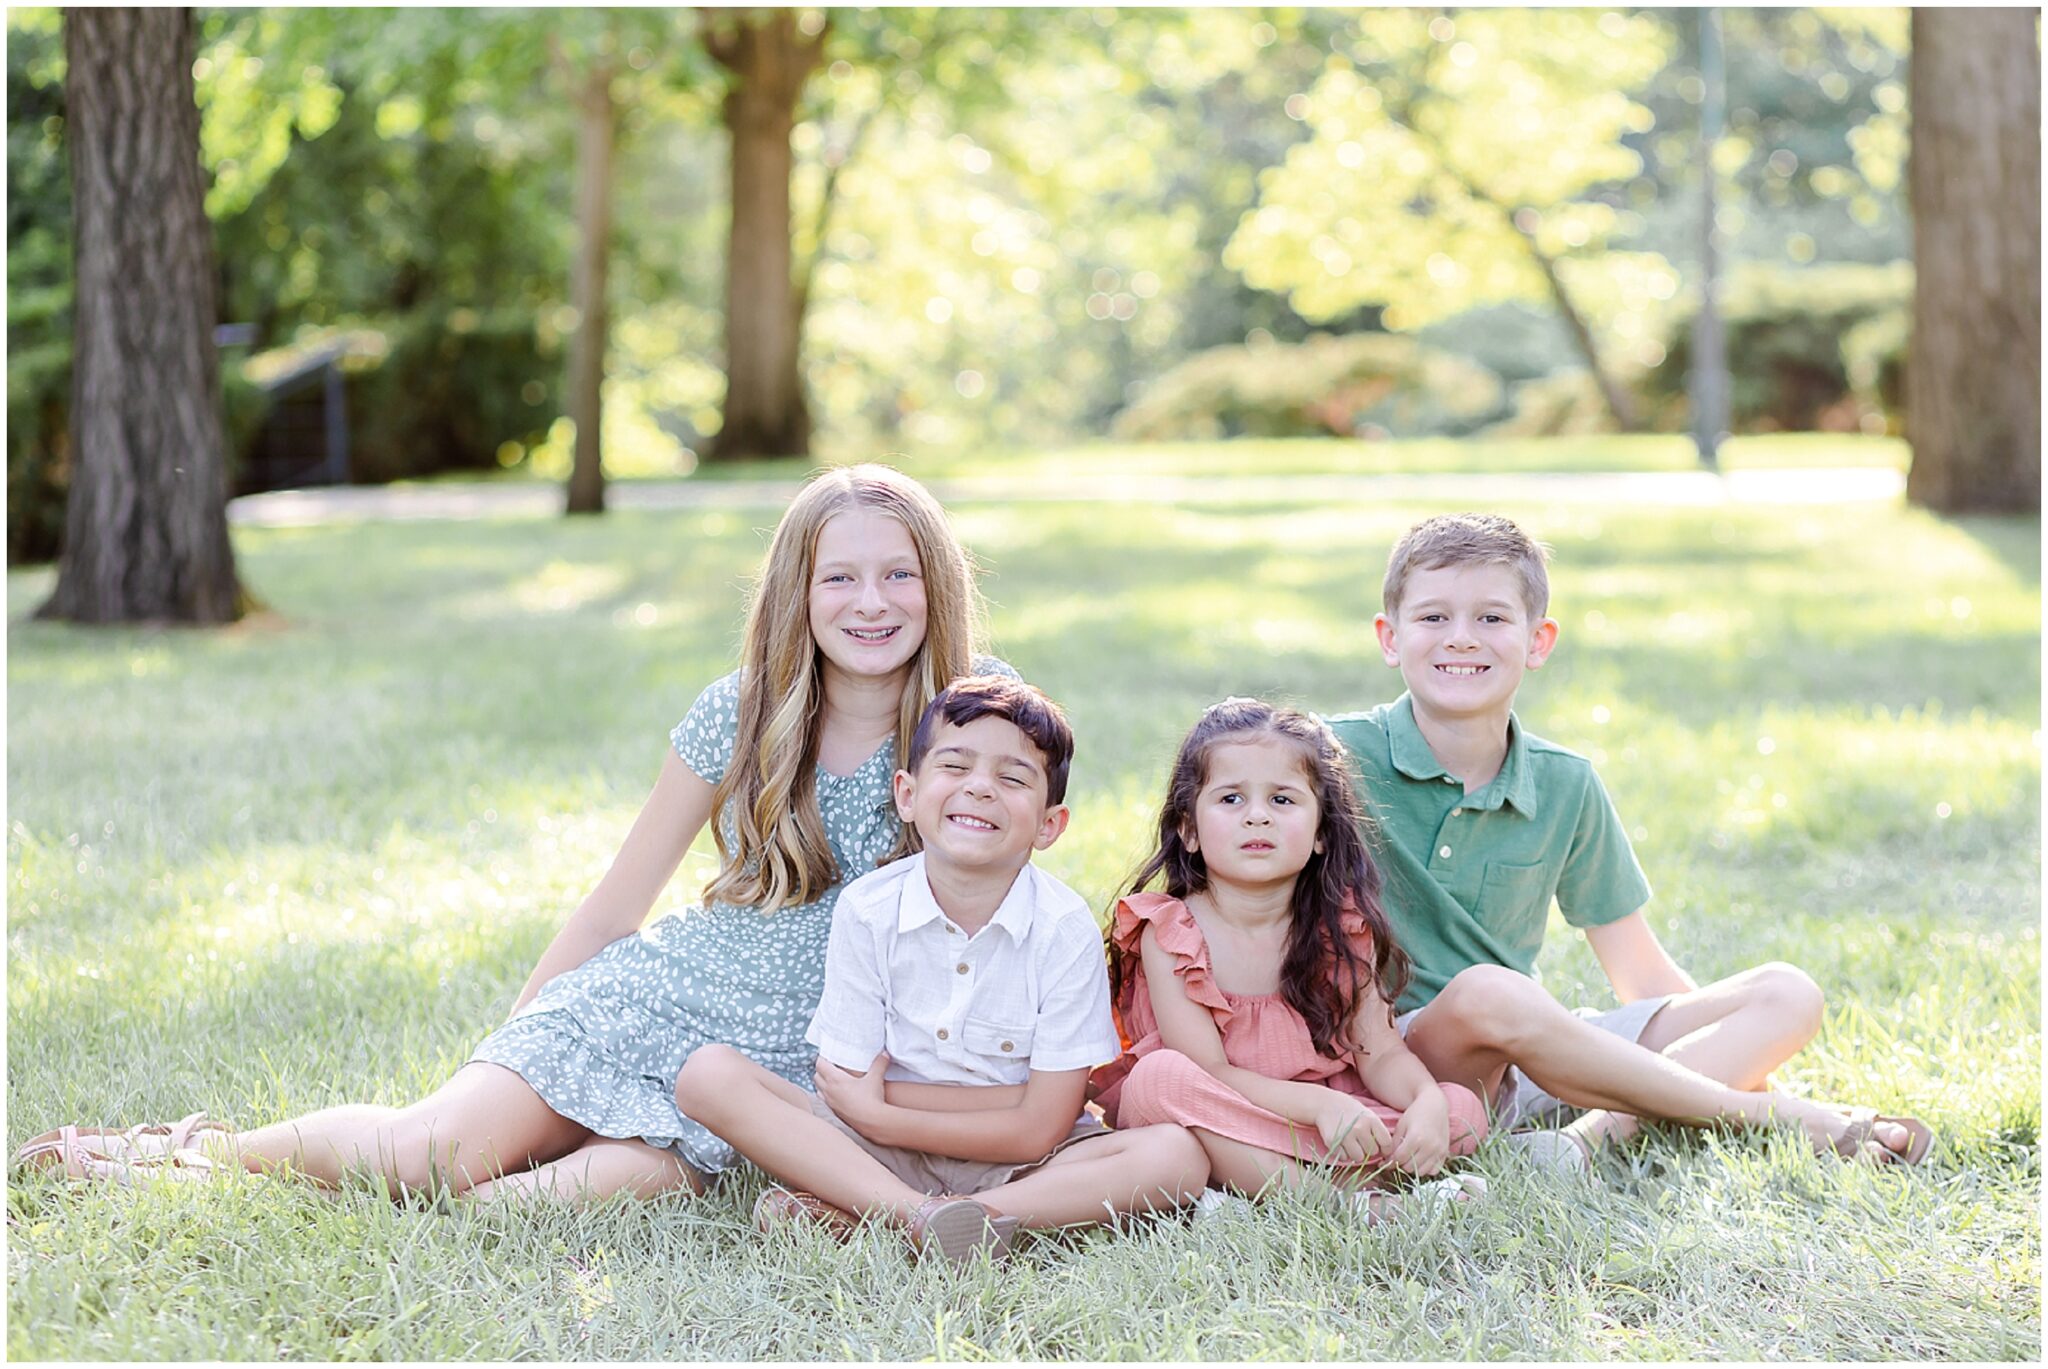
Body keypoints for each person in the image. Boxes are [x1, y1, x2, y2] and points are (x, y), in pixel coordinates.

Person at [15, 465, 1024, 1202]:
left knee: (551, 1199)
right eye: (839, 577)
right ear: (796, 592)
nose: (870, 602)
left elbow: (1010, 904)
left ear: (936, 584)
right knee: (433, 1153)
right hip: (654, 1001)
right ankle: (190, 1156)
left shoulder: (982, 719)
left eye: (898, 575)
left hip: (768, 1078)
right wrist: (514, 1040)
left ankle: (315, 1173)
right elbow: (615, 909)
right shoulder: (740, 711)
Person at [1326, 512, 1933, 1172]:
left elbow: (1639, 975)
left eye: (1492, 617)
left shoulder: (1565, 782)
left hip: (1528, 1054)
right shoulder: (1330, 760)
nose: (1462, 637)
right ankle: (1778, 1118)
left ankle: (1587, 1140)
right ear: (1390, 638)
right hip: (1400, 1059)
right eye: (1434, 617)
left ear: (1538, 641)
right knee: (1489, 991)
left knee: (1787, 993)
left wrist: (1737, 1059)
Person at [675, 676, 1209, 1263]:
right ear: (907, 794)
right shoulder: (868, 910)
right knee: (708, 1075)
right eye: (955, 766)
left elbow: (1042, 1127)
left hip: (1023, 1163)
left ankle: (909, 1214)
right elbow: (843, 1089)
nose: (979, 787)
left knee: (1175, 1156)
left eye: (1012, 778)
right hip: (875, 1151)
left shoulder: (1063, 927)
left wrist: (882, 1111)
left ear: (1049, 825)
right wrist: (983, 1104)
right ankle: (925, 1216)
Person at [1090, 698, 1489, 1220]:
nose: (1257, 815)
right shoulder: (1170, 931)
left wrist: (1425, 1101)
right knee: (1159, 1079)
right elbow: (1208, 1071)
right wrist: (1319, 1106)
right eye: (1231, 798)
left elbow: (1381, 1053)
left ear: (1321, 831)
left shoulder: (1342, 927)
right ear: (1189, 829)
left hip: (1313, 1123)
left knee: (1462, 1109)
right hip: (1218, 1108)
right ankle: (1348, 1206)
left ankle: (1248, 1184)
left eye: (1282, 799)